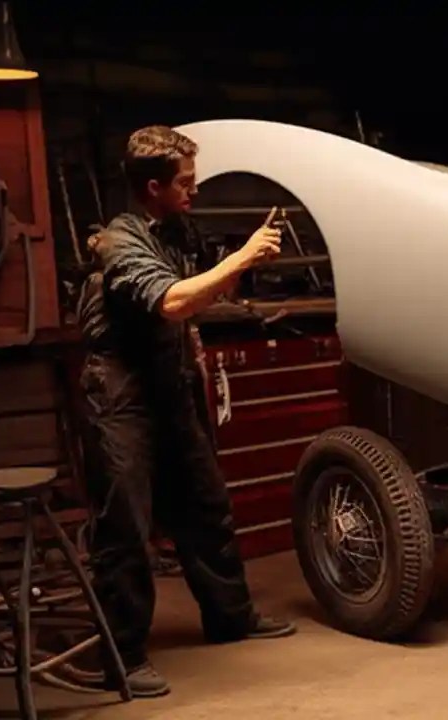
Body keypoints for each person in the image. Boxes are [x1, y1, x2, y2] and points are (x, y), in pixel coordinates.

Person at [76, 125, 295, 698]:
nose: (194, 192)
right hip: (121, 390)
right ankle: (120, 657)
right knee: (124, 522)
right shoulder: (120, 242)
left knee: (205, 503)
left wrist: (239, 266)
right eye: (186, 184)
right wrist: (245, 254)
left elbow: (196, 296)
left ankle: (231, 616)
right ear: (153, 187)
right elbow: (172, 301)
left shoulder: (178, 231)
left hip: (169, 382)